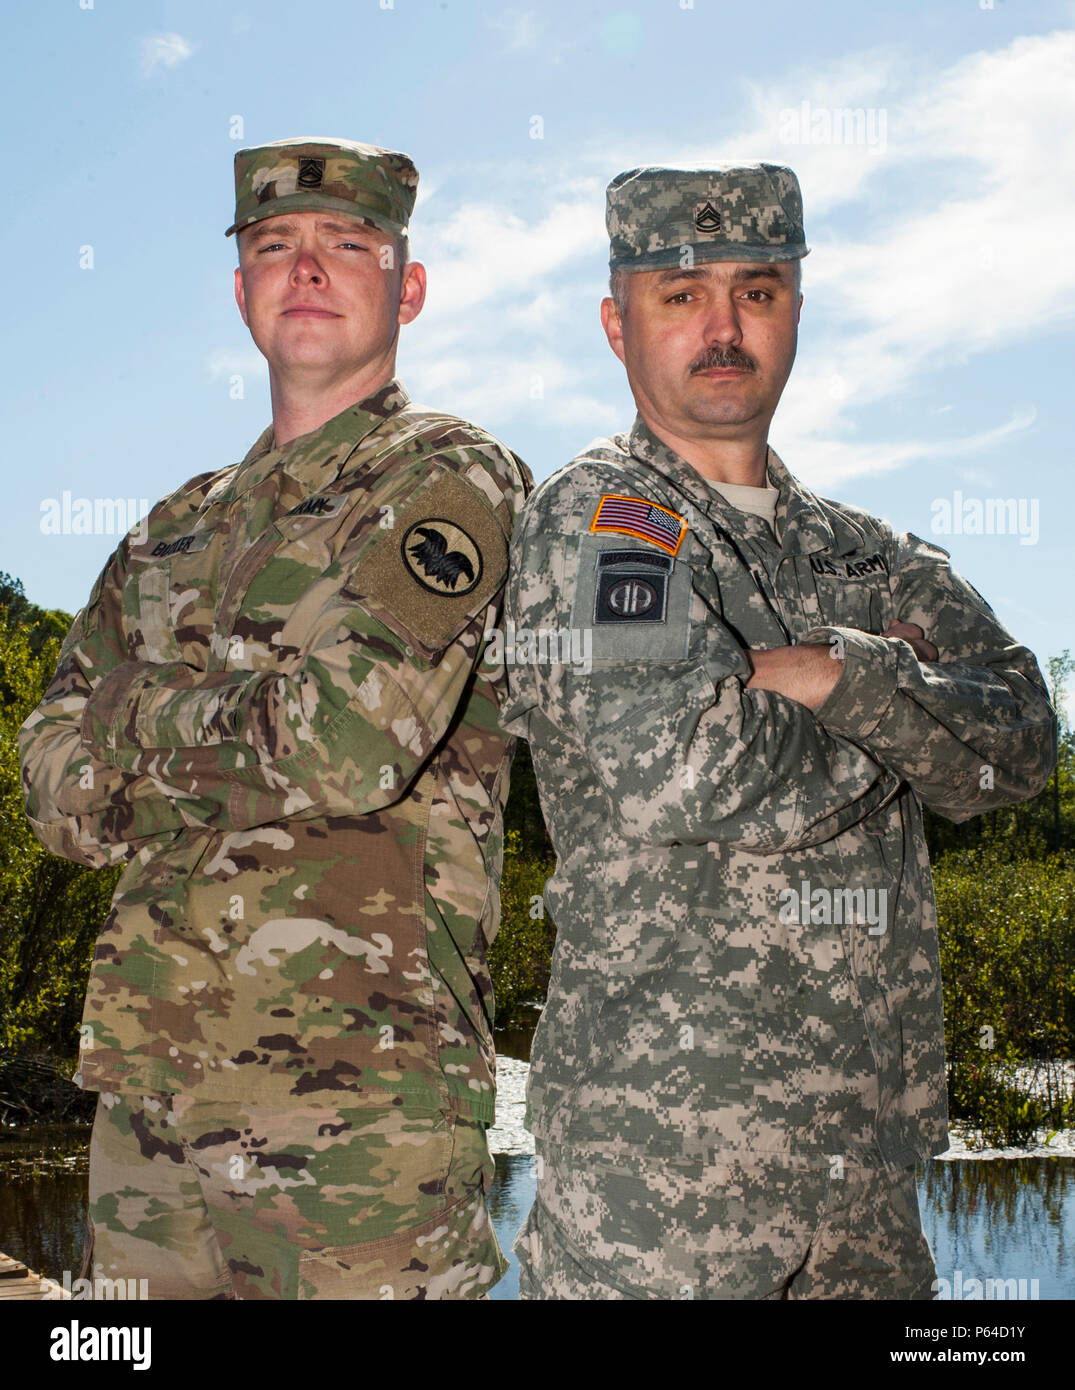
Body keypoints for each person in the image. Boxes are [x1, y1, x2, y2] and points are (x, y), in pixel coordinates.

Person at [500, 161, 1056, 1300]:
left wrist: (839, 675)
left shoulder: (863, 549)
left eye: (755, 292)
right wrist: (909, 731)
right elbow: (681, 763)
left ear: (796, 307)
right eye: (678, 296)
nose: (721, 328)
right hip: (663, 1180)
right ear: (618, 324)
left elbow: (1022, 749)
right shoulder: (611, 519)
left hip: (864, 1174)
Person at [19, 136, 531, 1300]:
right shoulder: (169, 531)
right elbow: (50, 783)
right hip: (145, 1102)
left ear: (405, 287)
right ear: (241, 286)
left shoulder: (454, 480)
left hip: (362, 1113)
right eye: (274, 246)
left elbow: (347, 745)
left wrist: (133, 718)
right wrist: (240, 729)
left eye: (347, 244)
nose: (307, 267)